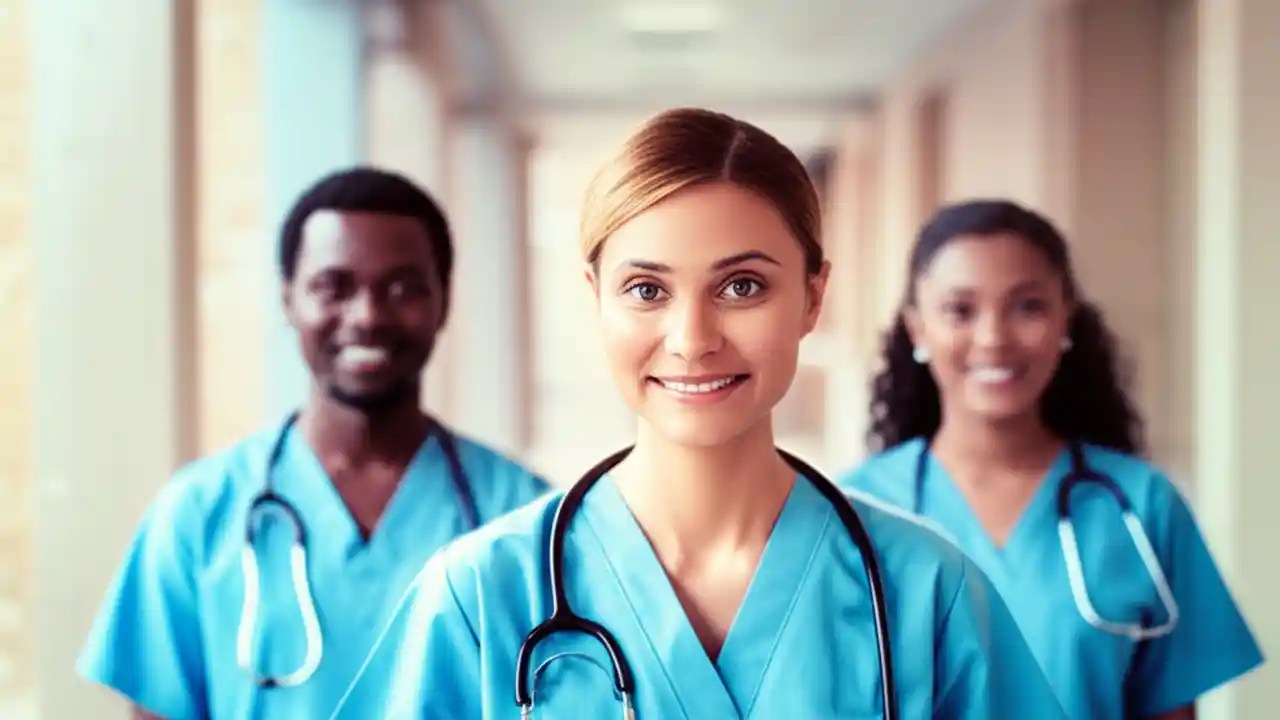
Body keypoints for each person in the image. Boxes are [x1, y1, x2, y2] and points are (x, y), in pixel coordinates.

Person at [340, 109, 1065, 720]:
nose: (692, 339)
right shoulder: (482, 596)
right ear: (596, 297)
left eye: (742, 286)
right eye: (647, 290)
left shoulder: (925, 593)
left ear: (813, 297)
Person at [77, 167, 550, 719]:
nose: (368, 316)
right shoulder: (198, 513)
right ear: (288, 300)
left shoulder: (526, 517)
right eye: (333, 287)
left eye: (402, 289)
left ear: (443, 302)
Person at [839, 199, 1263, 720]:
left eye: (1028, 307)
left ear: (1066, 320)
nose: (994, 338)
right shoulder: (854, 512)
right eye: (960, 310)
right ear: (917, 329)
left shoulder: (1142, 505)